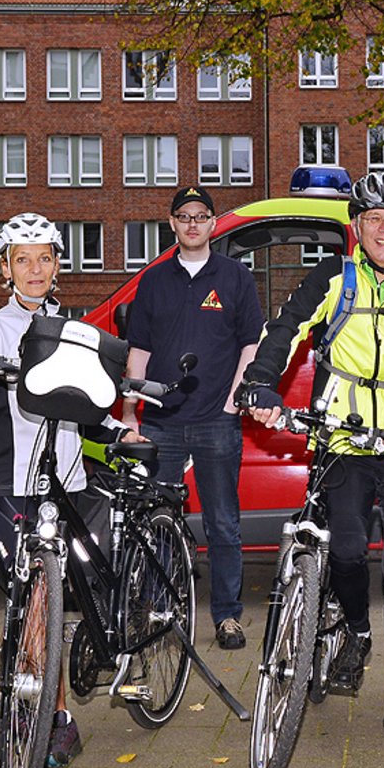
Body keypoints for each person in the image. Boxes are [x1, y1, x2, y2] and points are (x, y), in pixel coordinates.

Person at [242, 170, 384, 745]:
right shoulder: (333, 278)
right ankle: (356, 628)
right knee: (350, 549)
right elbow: (284, 331)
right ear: (356, 226)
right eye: (375, 219)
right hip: (343, 438)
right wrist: (262, 382)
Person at [0, 212, 136, 768]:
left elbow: (88, 406)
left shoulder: (74, 328)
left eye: (44, 258)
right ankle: (54, 714)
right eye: (22, 259)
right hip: (10, 482)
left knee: (40, 597)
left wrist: (119, 429)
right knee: (31, 596)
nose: (35, 269)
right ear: (5, 269)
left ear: (58, 266)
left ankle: (23, 693)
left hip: (66, 479)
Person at [120, 187, 263, 651]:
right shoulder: (153, 281)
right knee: (159, 518)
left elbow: (251, 344)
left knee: (223, 523)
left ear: (214, 222)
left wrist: (234, 401)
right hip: (160, 422)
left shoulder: (236, 277)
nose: (193, 224)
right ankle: (161, 610)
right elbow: (138, 351)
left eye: (202, 216)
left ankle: (226, 617)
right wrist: (130, 414)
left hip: (216, 423)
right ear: (173, 223)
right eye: (185, 216)